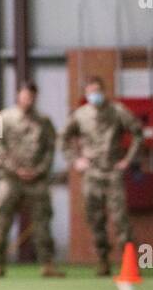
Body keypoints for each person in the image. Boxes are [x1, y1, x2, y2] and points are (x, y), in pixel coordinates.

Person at [58, 76, 144, 276]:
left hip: (113, 171)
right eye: (90, 92)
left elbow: (138, 133)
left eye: (97, 90)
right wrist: (75, 160)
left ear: (104, 91)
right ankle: (103, 260)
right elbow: (63, 138)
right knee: (95, 218)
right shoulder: (80, 115)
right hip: (91, 173)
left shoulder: (118, 111)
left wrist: (128, 160)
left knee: (121, 218)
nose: (94, 95)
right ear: (86, 94)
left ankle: (130, 262)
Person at [0, 81, 63, 278]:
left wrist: (39, 170)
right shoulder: (0, 118)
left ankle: (47, 264)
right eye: (24, 95)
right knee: (1, 219)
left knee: (43, 221)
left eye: (31, 96)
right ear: (18, 95)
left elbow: (50, 148)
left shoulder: (44, 121)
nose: (28, 99)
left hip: (36, 180)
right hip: (10, 179)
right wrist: (15, 169)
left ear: (36, 97)